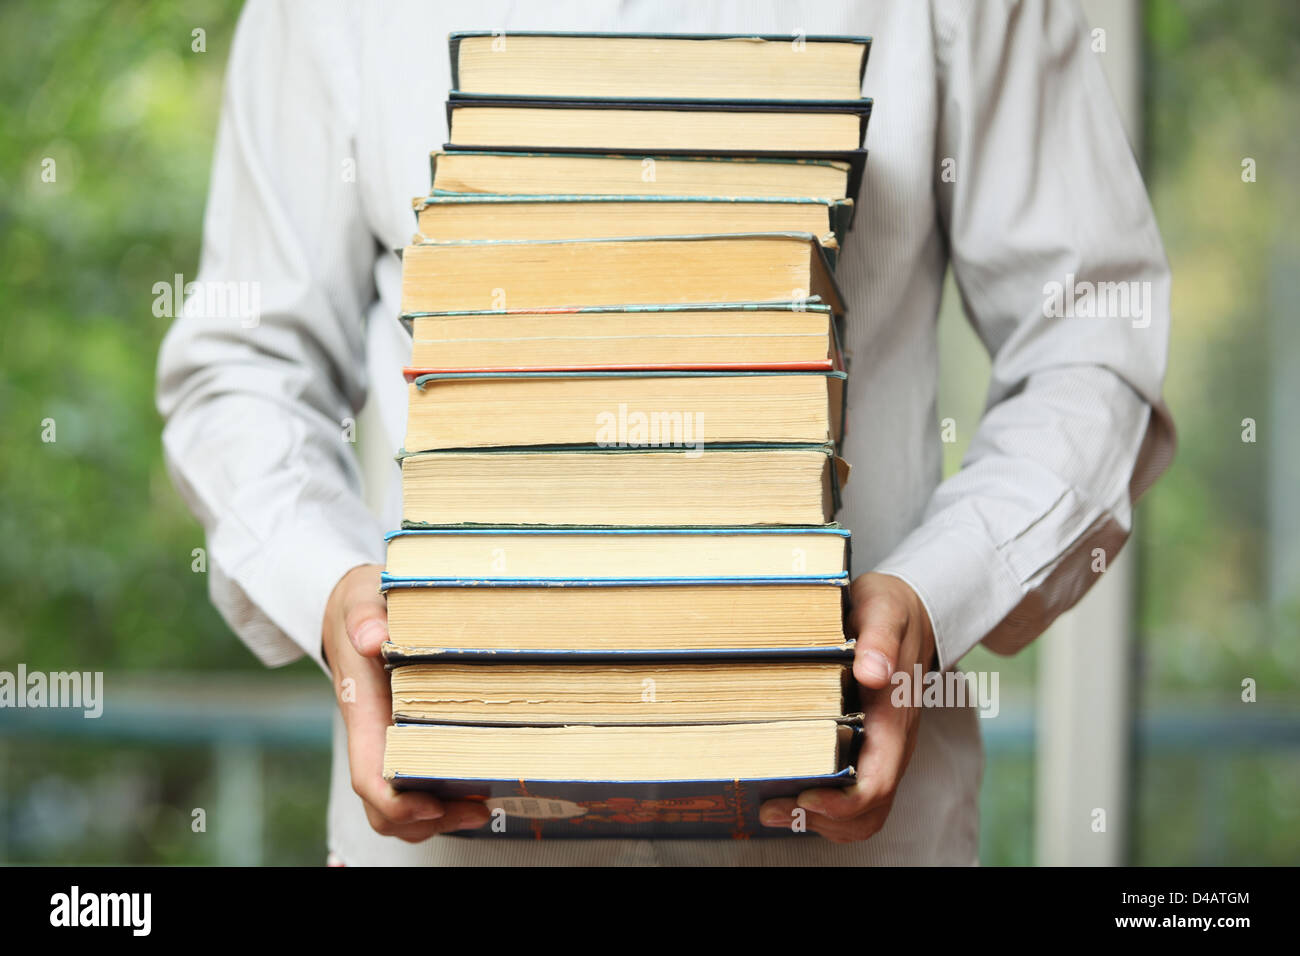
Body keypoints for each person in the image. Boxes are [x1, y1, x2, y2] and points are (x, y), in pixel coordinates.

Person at [157, 0, 1174, 865]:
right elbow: (245, 368)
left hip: (860, 836)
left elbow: (1090, 340)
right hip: (450, 835)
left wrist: (936, 595)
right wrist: (335, 592)